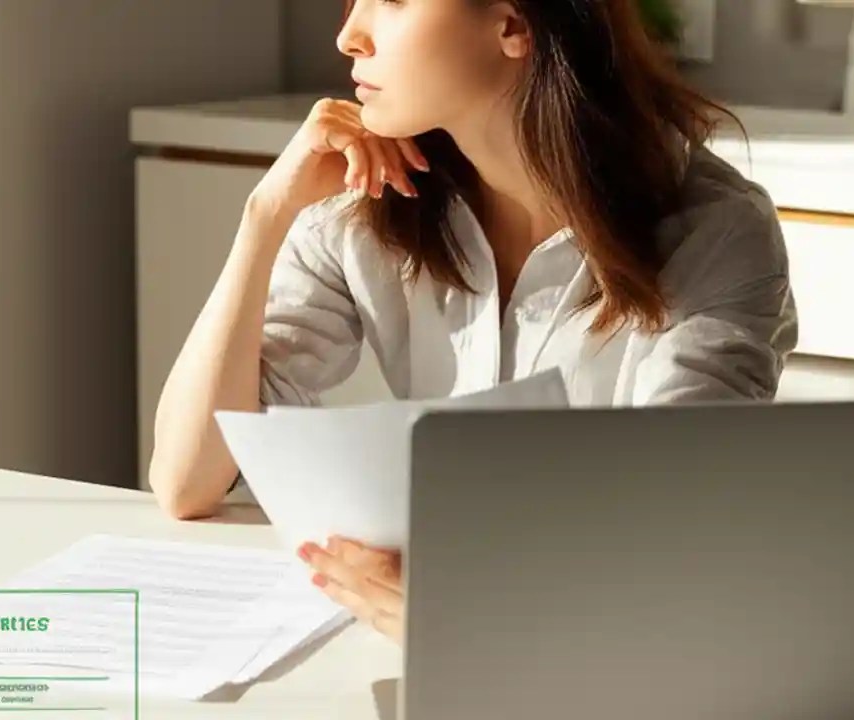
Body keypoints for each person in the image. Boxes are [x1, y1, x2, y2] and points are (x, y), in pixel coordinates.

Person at [149, 0, 798, 645]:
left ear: (513, 25)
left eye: (393, 1)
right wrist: (265, 216)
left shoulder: (716, 232)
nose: (349, 37)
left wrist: (472, 613)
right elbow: (186, 481)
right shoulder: (364, 208)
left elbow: (684, 531)